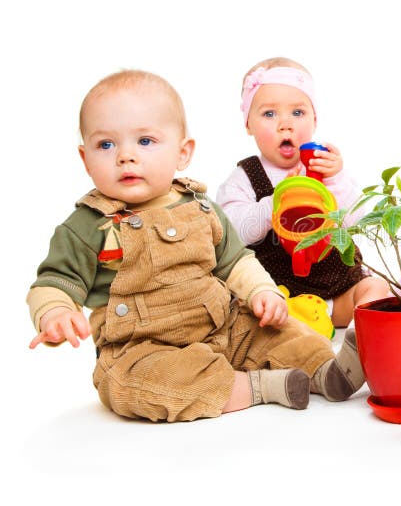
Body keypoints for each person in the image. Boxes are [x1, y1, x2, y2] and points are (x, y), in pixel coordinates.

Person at [27, 70, 365, 422]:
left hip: (224, 325)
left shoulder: (201, 206)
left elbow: (236, 261)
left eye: (145, 141)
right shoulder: (88, 225)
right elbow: (52, 281)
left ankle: (326, 370)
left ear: (183, 152)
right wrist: (55, 313)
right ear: (84, 159)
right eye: (106, 145)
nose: (125, 156)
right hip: (144, 348)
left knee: (282, 331)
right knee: (138, 383)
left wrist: (263, 293)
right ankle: (260, 387)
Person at [216, 57, 389, 328]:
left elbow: (356, 222)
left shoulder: (324, 168)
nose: (285, 124)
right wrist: (273, 204)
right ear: (248, 123)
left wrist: (336, 181)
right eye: (269, 114)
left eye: (297, 113)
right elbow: (232, 234)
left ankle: (361, 336)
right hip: (279, 300)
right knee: (239, 309)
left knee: (376, 287)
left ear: (315, 119)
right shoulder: (244, 178)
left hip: (339, 292)